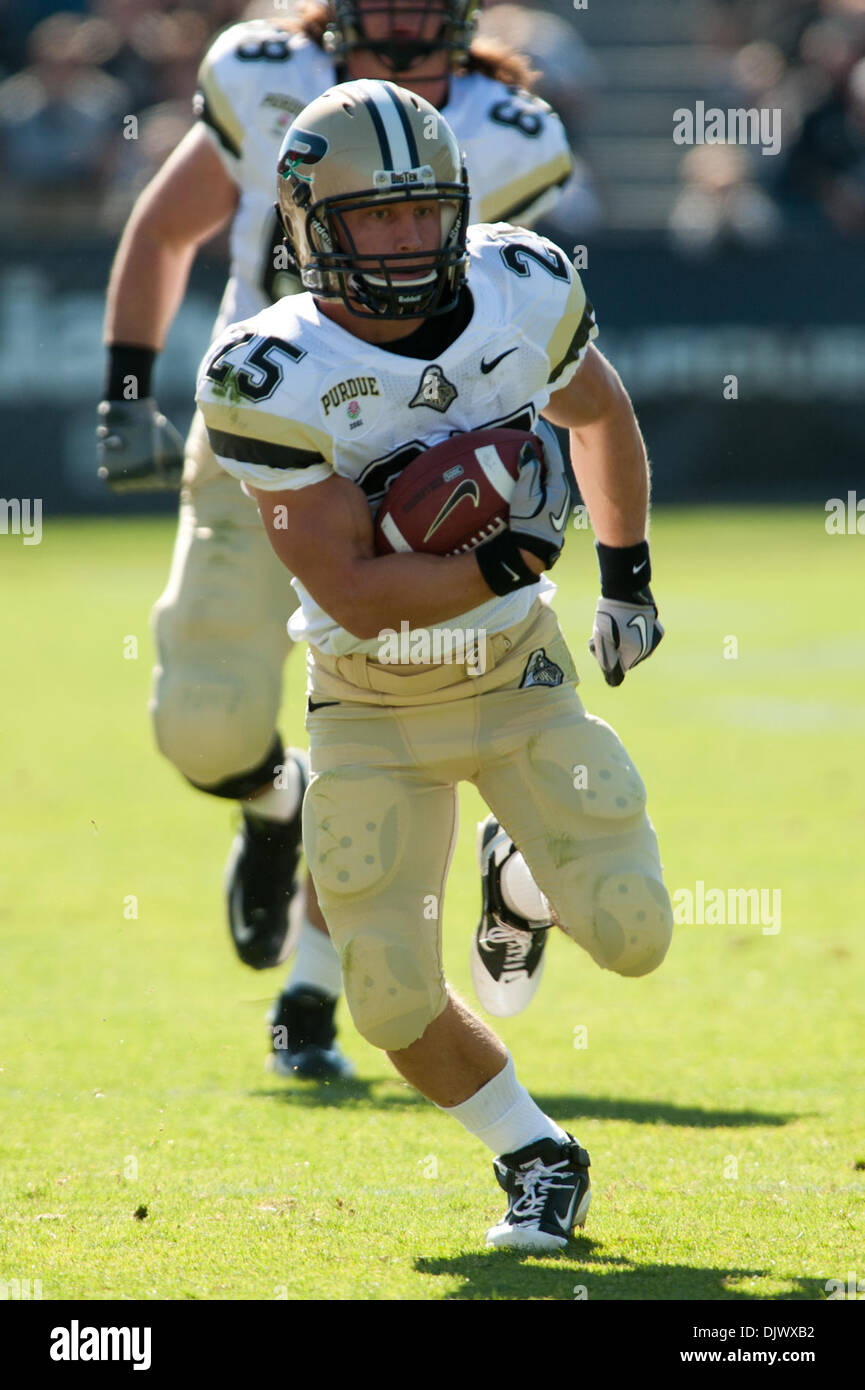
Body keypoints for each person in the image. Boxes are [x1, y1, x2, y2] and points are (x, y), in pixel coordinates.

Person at [195, 77, 672, 1249]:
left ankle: (523, 881)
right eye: (376, 219)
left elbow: (599, 415)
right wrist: (513, 554)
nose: (407, 241)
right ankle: (536, 1154)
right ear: (312, 227)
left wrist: (625, 575)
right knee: (388, 993)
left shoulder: (522, 284)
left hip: (516, 675)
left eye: (424, 213)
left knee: (633, 929)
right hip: (367, 701)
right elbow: (351, 588)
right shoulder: (268, 371)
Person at [96, 1, 574, 1081]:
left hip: (417, 462)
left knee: (397, 724)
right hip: (263, 439)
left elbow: (521, 318)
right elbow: (170, 228)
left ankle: (312, 996)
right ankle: (277, 799)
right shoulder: (263, 75)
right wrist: (126, 387)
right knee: (202, 728)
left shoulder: (511, 129)